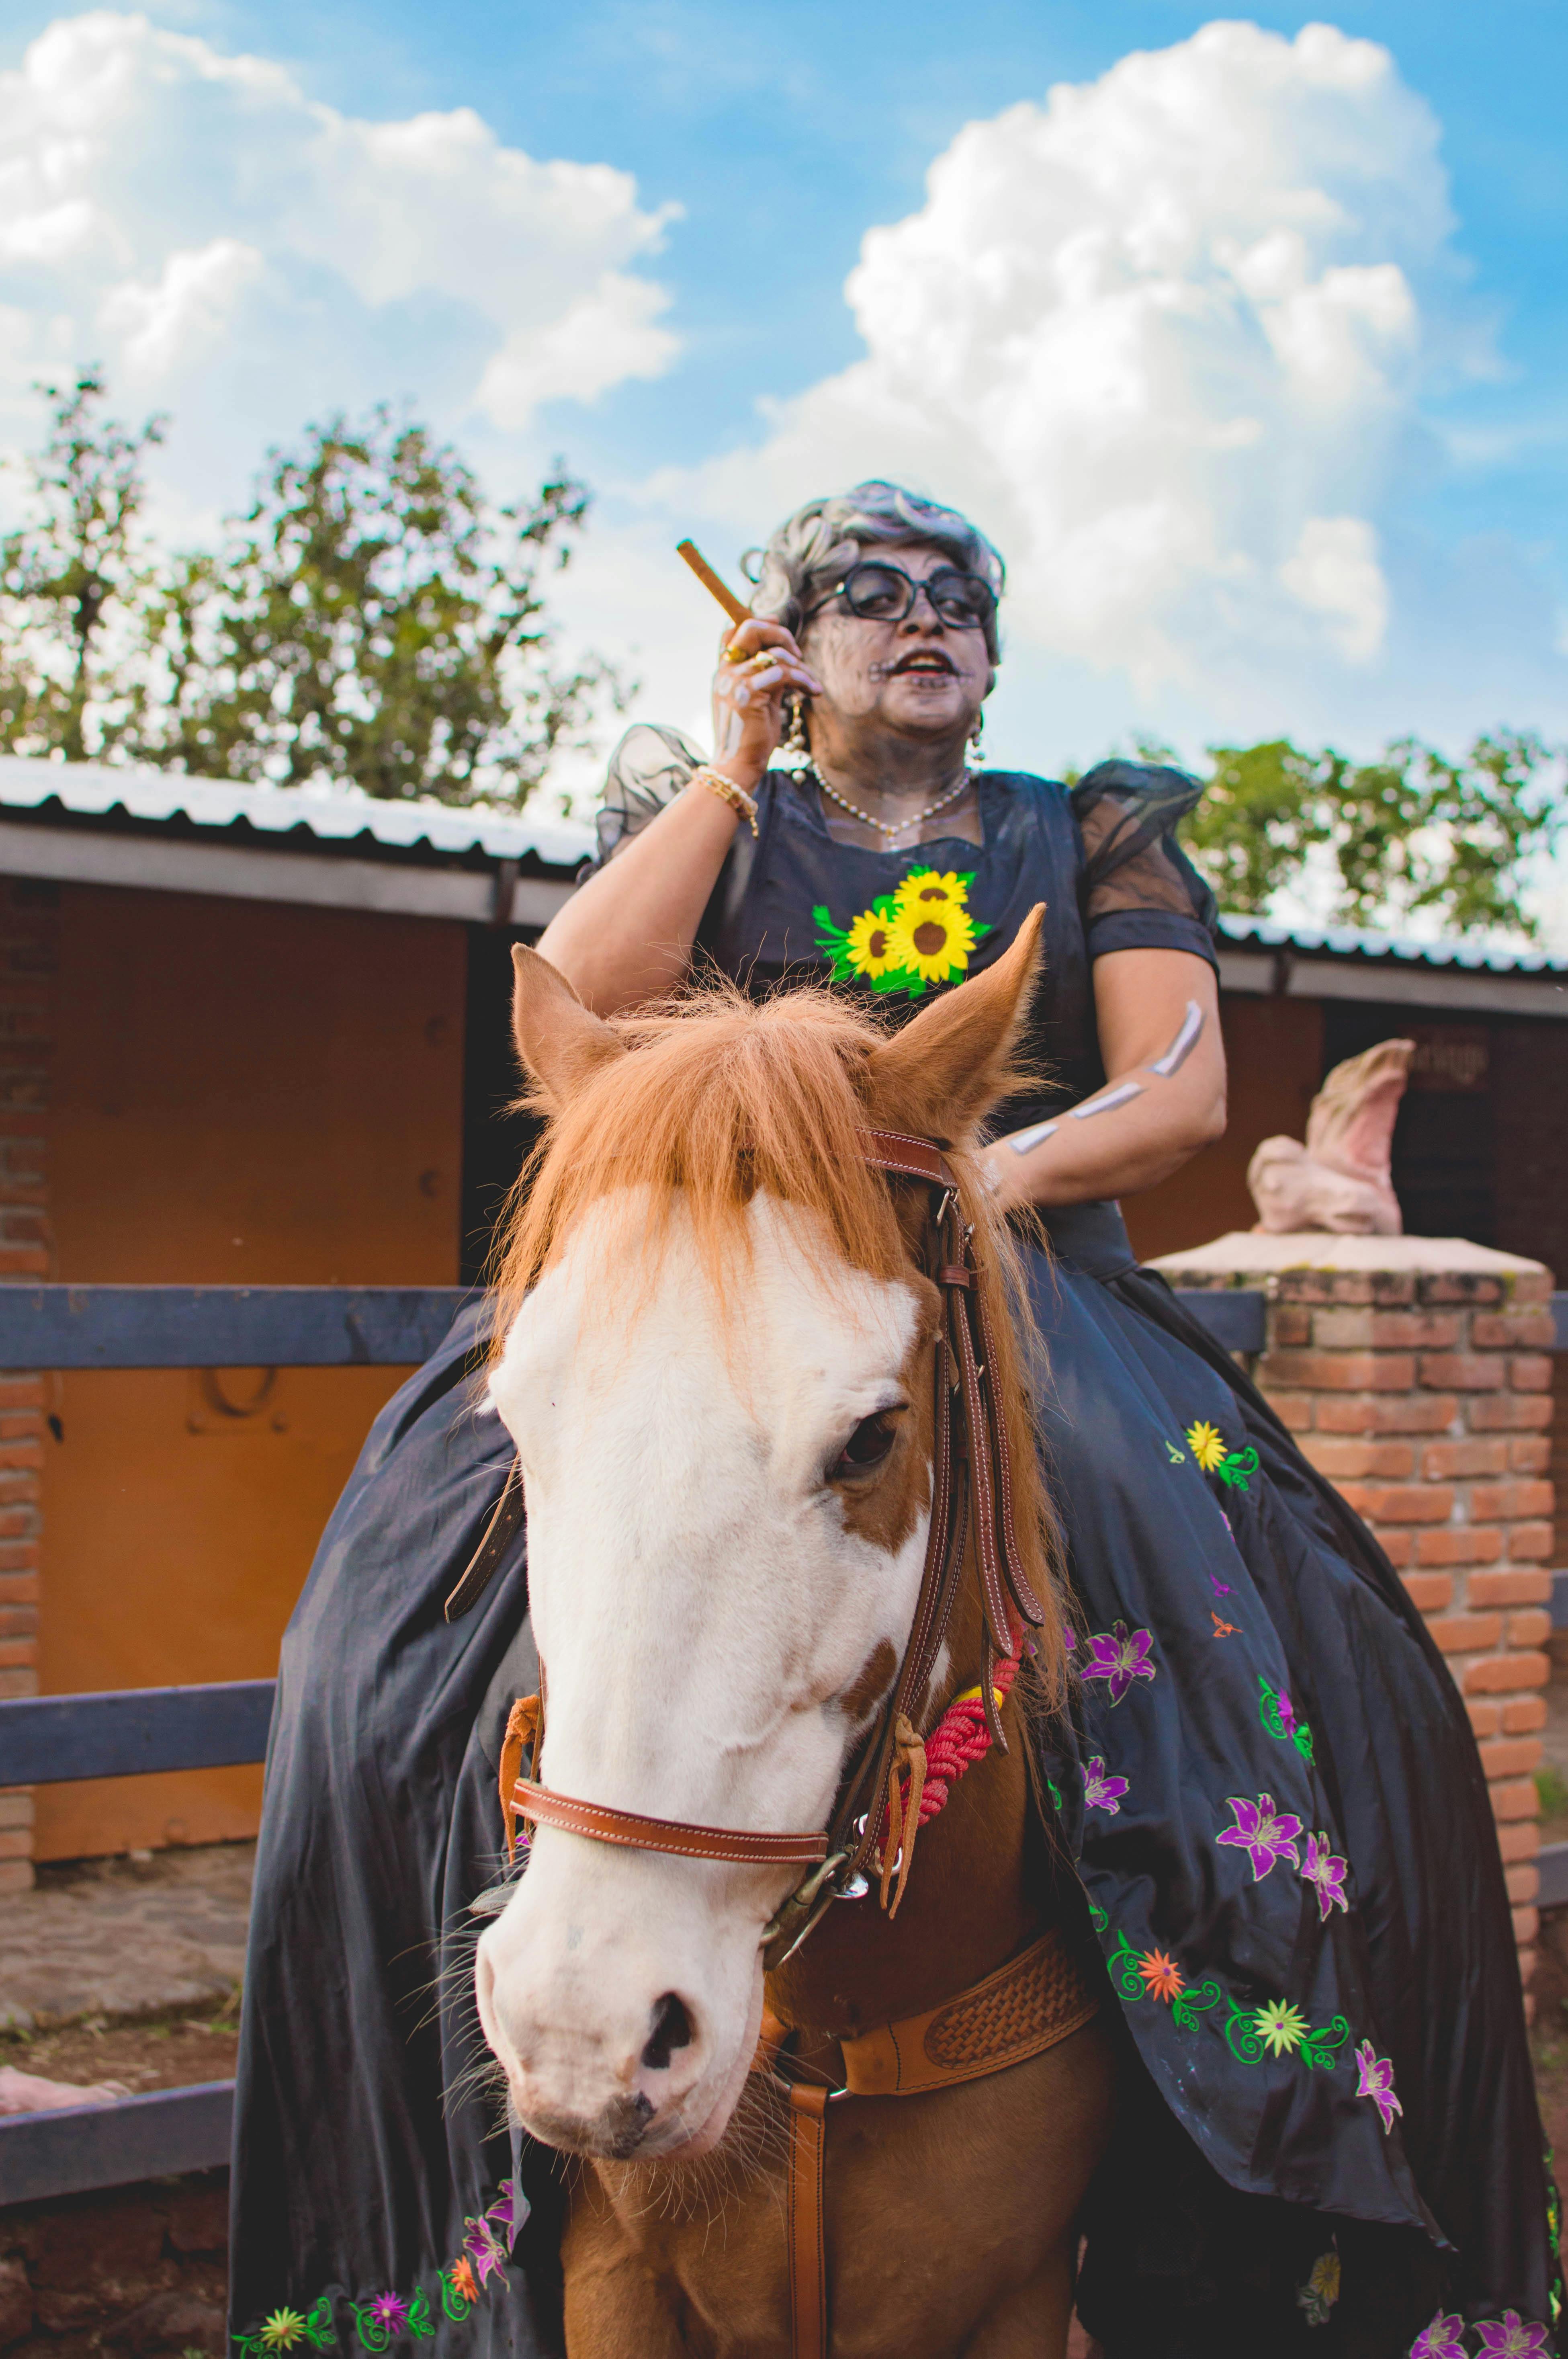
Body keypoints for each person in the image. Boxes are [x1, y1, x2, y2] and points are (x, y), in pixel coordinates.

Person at [232, 482, 1558, 2359]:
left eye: (958, 596)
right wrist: (723, 769)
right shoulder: (723, 822)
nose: (921, 616)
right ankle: (421, 2131)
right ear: (788, 640)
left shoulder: (1085, 828)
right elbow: (571, 1008)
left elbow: (1179, 1089)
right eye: (867, 592)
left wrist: (959, 1180)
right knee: (379, 1609)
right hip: (726, 1294)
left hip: (1024, 1276)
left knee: (1292, 1616)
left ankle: (1276, 2066)